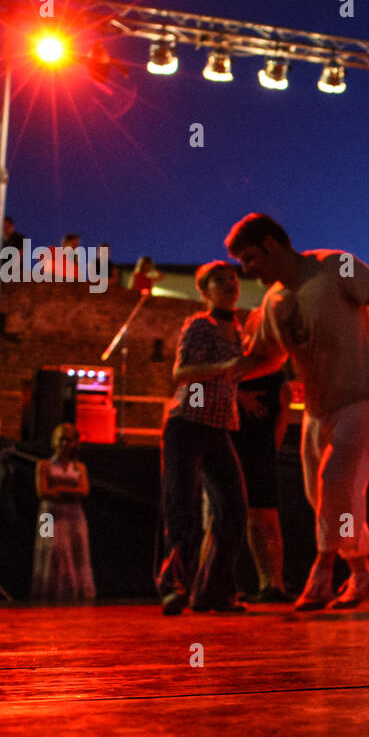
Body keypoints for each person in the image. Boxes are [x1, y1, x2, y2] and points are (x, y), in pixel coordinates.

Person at [227, 213, 369, 611]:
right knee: (323, 495)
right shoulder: (274, 301)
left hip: (366, 394)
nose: (247, 270)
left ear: (270, 244)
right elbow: (266, 357)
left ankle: (321, 574)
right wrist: (222, 373)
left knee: (335, 481)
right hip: (318, 408)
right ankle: (363, 572)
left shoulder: (337, 265)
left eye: (249, 258)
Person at [154, 260, 248, 616]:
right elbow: (182, 374)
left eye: (232, 279)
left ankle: (214, 591)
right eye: (219, 281)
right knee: (183, 506)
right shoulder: (199, 324)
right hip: (187, 425)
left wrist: (240, 393)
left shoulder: (237, 329)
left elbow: (227, 378)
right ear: (204, 291)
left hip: (218, 427)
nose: (229, 284)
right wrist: (224, 369)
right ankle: (174, 587)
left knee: (234, 508)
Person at [232, 307, 293, 603]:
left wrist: (271, 448)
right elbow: (210, 388)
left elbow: (284, 408)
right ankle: (224, 585)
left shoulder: (275, 367)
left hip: (259, 448)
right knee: (230, 518)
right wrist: (238, 395)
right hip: (234, 446)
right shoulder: (237, 364)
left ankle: (273, 584)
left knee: (264, 517)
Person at [30, 423, 96, 601]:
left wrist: (58, 490)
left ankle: (72, 594)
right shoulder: (43, 465)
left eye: (69, 440)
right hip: (47, 515)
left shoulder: (79, 467)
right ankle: (47, 593)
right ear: (55, 441)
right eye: (62, 439)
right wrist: (69, 492)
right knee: (49, 550)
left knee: (75, 550)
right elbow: (43, 492)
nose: (65, 444)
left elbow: (84, 491)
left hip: (73, 515)